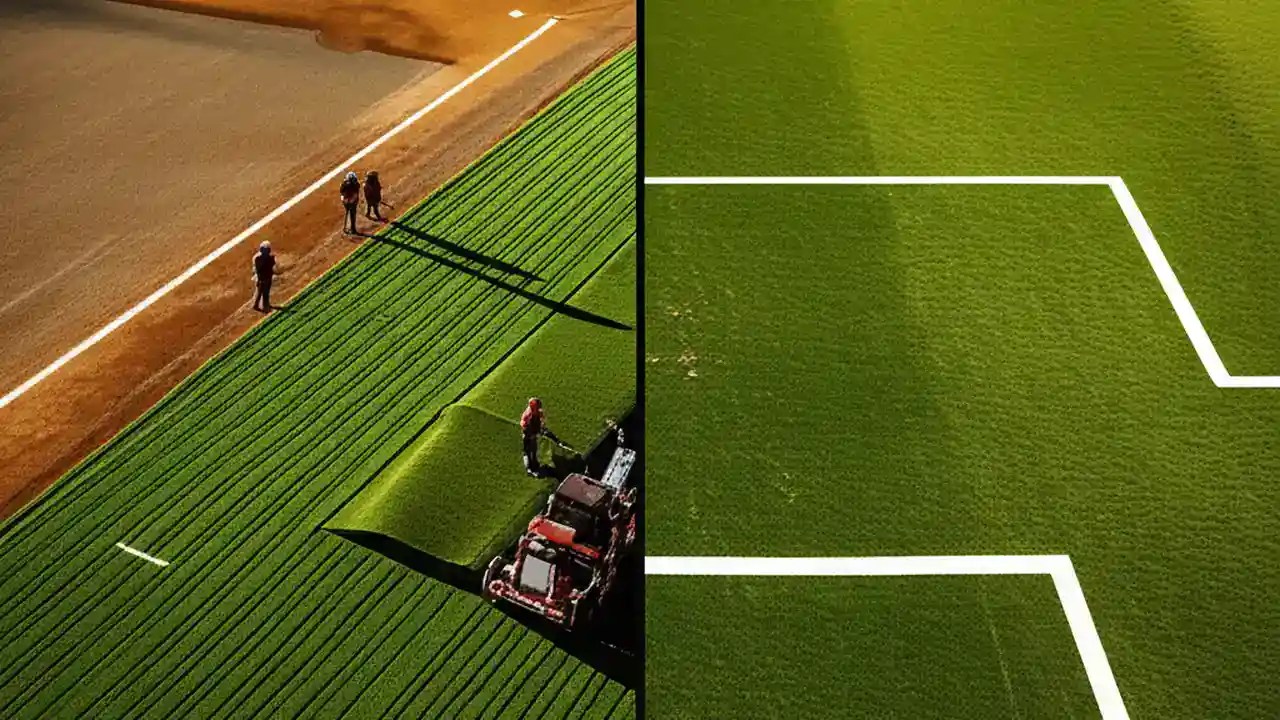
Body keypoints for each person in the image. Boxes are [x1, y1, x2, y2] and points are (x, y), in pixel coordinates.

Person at [520, 397, 547, 477]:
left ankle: (535, 466)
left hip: (533, 434)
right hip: (528, 435)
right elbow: (523, 425)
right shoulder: (528, 415)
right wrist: (530, 435)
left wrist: (541, 426)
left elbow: (541, 419)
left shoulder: (536, 412)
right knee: (527, 452)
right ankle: (529, 469)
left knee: (534, 451)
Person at [252, 241, 278, 312]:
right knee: (263, 293)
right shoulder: (270, 258)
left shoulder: (257, 258)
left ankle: (258, 305)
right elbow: (274, 269)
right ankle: (265, 307)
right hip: (265, 279)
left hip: (262, 278)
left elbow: (256, 270)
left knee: (261, 292)